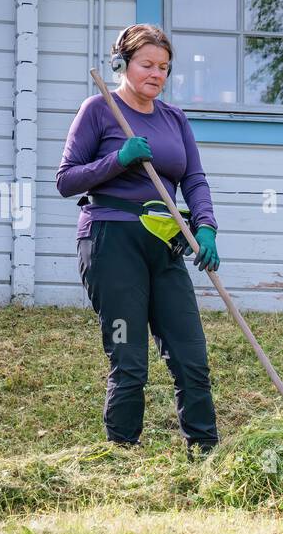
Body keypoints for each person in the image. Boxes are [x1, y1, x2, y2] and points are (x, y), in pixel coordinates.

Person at [56, 24, 222, 457]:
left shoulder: (174, 119)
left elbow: (194, 178)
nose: (157, 74)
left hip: (164, 243)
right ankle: (122, 456)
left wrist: (205, 226)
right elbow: (66, 180)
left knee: (191, 357)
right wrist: (117, 159)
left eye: (164, 67)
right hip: (111, 241)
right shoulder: (99, 110)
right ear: (121, 65)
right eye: (147, 64)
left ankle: (205, 455)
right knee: (129, 359)